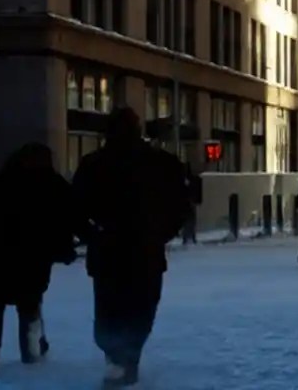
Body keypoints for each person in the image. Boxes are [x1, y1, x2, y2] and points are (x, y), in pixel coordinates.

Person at [73, 107, 190, 387]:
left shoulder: (93, 164)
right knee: (143, 304)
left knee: (109, 305)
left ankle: (116, 356)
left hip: (108, 249)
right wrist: (162, 233)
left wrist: (90, 234)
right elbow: (180, 205)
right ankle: (128, 355)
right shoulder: (162, 163)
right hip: (144, 248)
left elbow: (74, 208)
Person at [0, 142, 78, 379]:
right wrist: (65, 248)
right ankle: (32, 350)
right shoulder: (52, 185)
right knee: (30, 304)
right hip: (33, 259)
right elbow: (69, 218)